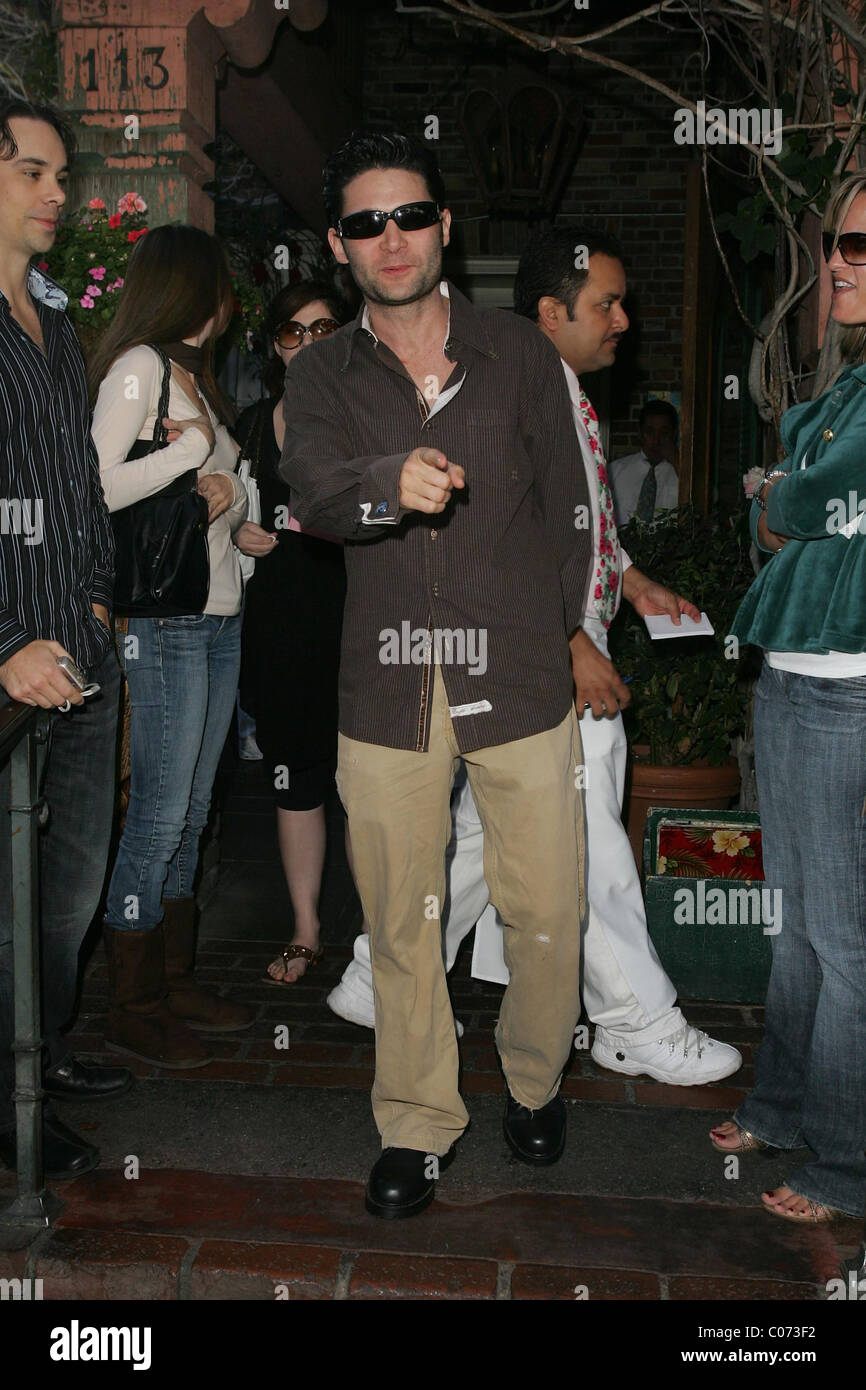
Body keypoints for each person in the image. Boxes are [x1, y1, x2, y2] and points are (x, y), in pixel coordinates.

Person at [329, 227, 742, 1088]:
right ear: (551, 313)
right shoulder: (508, 383)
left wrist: (630, 583)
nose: (624, 319)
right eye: (607, 304)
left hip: (537, 658)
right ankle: (636, 1021)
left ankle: (379, 974)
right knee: (581, 842)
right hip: (534, 659)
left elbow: (571, 519)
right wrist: (570, 643)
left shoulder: (559, 386)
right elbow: (488, 544)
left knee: (492, 835)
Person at [281, 128, 593, 1220]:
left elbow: (567, 509)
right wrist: (387, 484)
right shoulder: (319, 372)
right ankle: (415, 1124)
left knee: (545, 906)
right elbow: (313, 490)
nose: (392, 238)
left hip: (513, 673)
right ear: (338, 245)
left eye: (409, 214)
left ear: (443, 225)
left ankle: (535, 1076)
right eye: (365, 222)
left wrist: (559, 630)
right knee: (404, 920)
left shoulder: (515, 350)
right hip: (386, 685)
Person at [713, 170, 866, 1224]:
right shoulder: (849, 385)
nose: (834, 265)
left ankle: (846, 1159)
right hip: (792, 681)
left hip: (842, 696)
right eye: (833, 246)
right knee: (794, 927)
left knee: (840, 937)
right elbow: (787, 503)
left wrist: (780, 488)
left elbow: (802, 497)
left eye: (858, 249)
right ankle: (781, 1102)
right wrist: (782, 493)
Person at [0, 98, 131, 1182]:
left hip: (76, 646)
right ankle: (12, 1097)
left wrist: (92, 600)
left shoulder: (57, 321)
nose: (58, 194)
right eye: (35, 173)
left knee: (69, 883)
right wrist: (6, 641)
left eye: (61, 174)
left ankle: (34, 1053)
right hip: (7, 664)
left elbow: (78, 483)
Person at [89, 224, 252, 1069]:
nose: (232, 298)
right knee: (157, 809)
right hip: (163, 623)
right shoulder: (141, 370)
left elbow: (217, 494)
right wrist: (190, 451)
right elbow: (94, 485)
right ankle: (130, 997)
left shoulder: (197, 378)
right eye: (222, 281)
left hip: (217, 616)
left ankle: (173, 975)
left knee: (192, 807)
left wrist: (238, 503)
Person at [234, 281, 367, 983]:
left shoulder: (370, 417)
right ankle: (307, 929)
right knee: (296, 783)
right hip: (280, 631)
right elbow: (210, 514)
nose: (307, 343)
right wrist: (229, 527)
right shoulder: (250, 425)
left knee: (371, 789)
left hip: (364, 629)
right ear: (275, 345)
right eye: (293, 331)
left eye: (323, 330)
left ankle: (382, 941)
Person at [609, 399, 680, 525]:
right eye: (650, 432)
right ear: (640, 433)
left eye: (664, 433)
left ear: (673, 435)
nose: (656, 441)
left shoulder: (682, 475)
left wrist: (677, 461)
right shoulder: (615, 472)